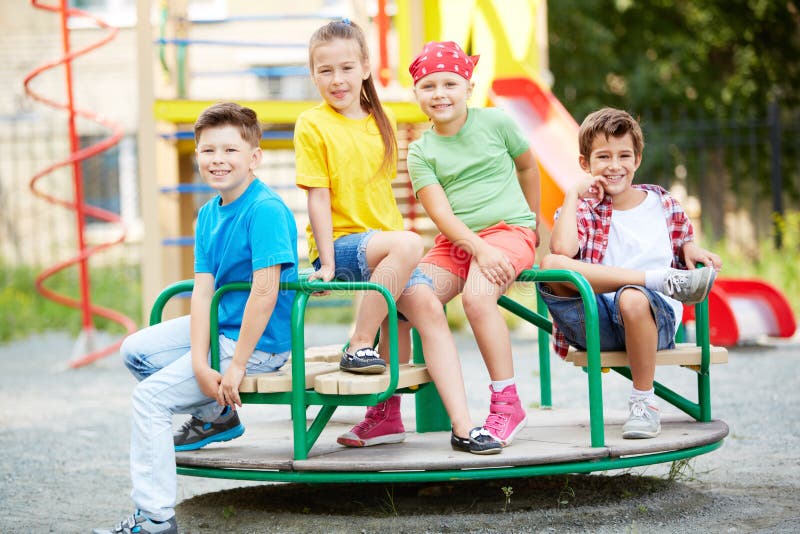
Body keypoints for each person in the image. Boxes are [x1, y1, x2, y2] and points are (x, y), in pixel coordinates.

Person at [295, 20, 500, 454]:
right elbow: (318, 198)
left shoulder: (380, 119)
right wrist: (327, 262)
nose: (337, 80)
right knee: (408, 242)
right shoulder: (312, 124)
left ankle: (460, 428)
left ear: (366, 67)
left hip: (386, 251)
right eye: (325, 71)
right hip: (345, 249)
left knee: (428, 311)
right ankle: (358, 344)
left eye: (347, 68)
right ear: (313, 74)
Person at [95, 103, 298, 534]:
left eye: (230, 150)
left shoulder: (265, 209)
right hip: (222, 330)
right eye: (208, 150)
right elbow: (203, 291)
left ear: (254, 157)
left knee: (150, 399)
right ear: (198, 154)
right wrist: (200, 364)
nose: (218, 160)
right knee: (134, 350)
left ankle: (155, 519)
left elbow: (264, 294)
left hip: (259, 344)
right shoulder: (209, 213)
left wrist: (236, 365)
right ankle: (215, 415)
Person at [538, 106, 722, 439]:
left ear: (637, 160)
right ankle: (654, 278)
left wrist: (692, 250)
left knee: (634, 298)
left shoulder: (663, 204)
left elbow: (686, 241)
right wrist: (572, 195)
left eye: (624, 155)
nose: (614, 166)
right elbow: (562, 251)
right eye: (603, 156)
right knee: (551, 265)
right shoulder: (583, 209)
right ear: (585, 164)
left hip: (654, 317)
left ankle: (644, 403)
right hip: (599, 320)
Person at [406, 41, 542, 447]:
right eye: (428, 86)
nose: (440, 94)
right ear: (416, 94)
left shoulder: (496, 123)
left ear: (468, 86)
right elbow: (441, 216)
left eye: (450, 83)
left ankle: (507, 404)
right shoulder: (420, 150)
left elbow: (528, 166)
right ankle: (386, 411)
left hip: (506, 232)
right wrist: (476, 248)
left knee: (478, 299)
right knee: (407, 292)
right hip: (456, 243)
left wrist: (531, 222)